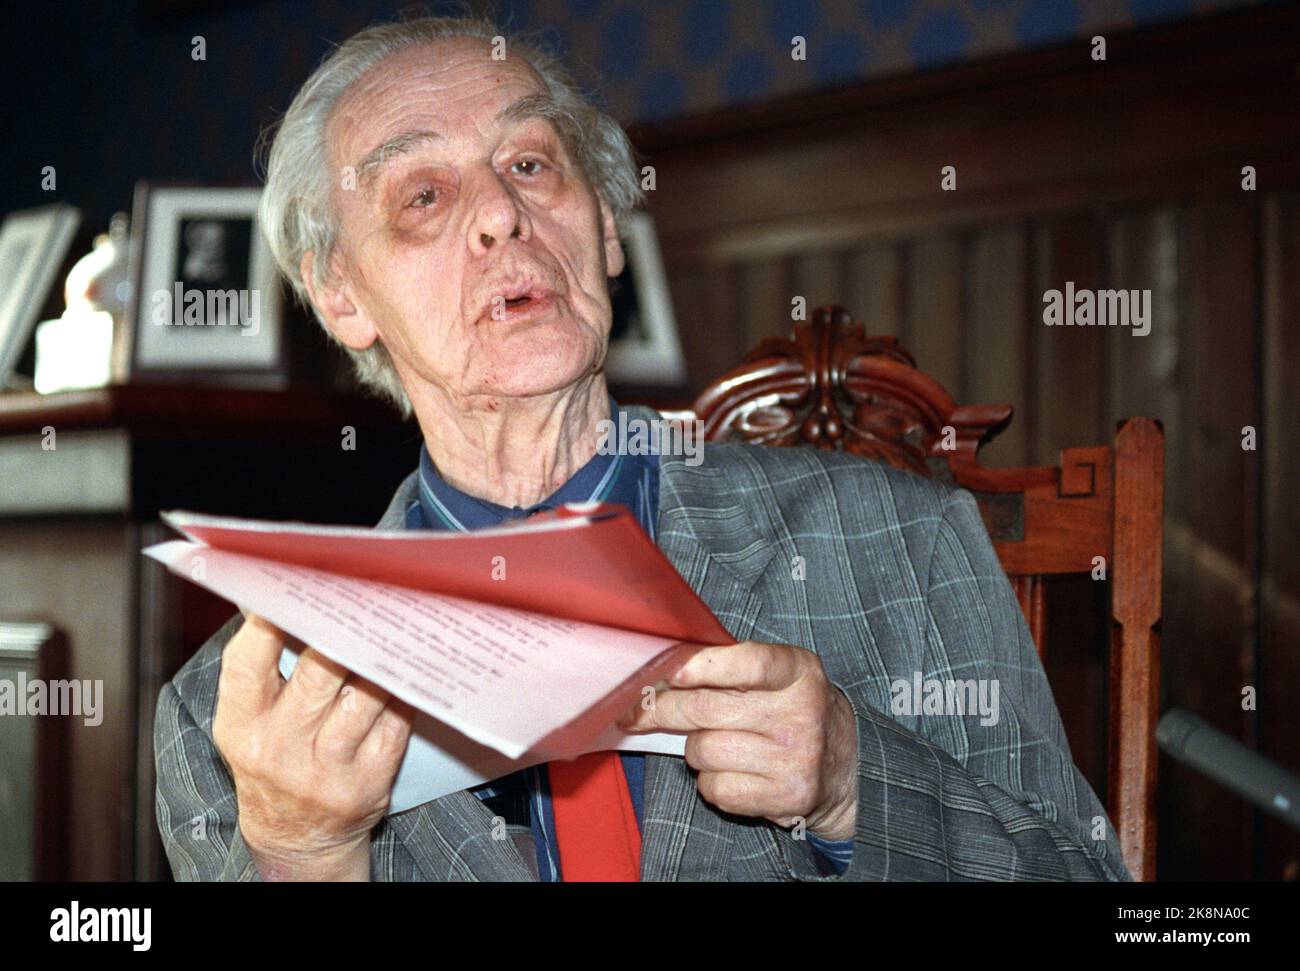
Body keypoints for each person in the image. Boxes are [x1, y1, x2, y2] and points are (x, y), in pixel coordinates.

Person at [154, 14, 1128, 882]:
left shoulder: (893, 531)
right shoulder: (236, 717)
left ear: (608, 228)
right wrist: (304, 854)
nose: (502, 213)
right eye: (422, 195)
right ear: (340, 295)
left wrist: (851, 781)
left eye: (531, 163)